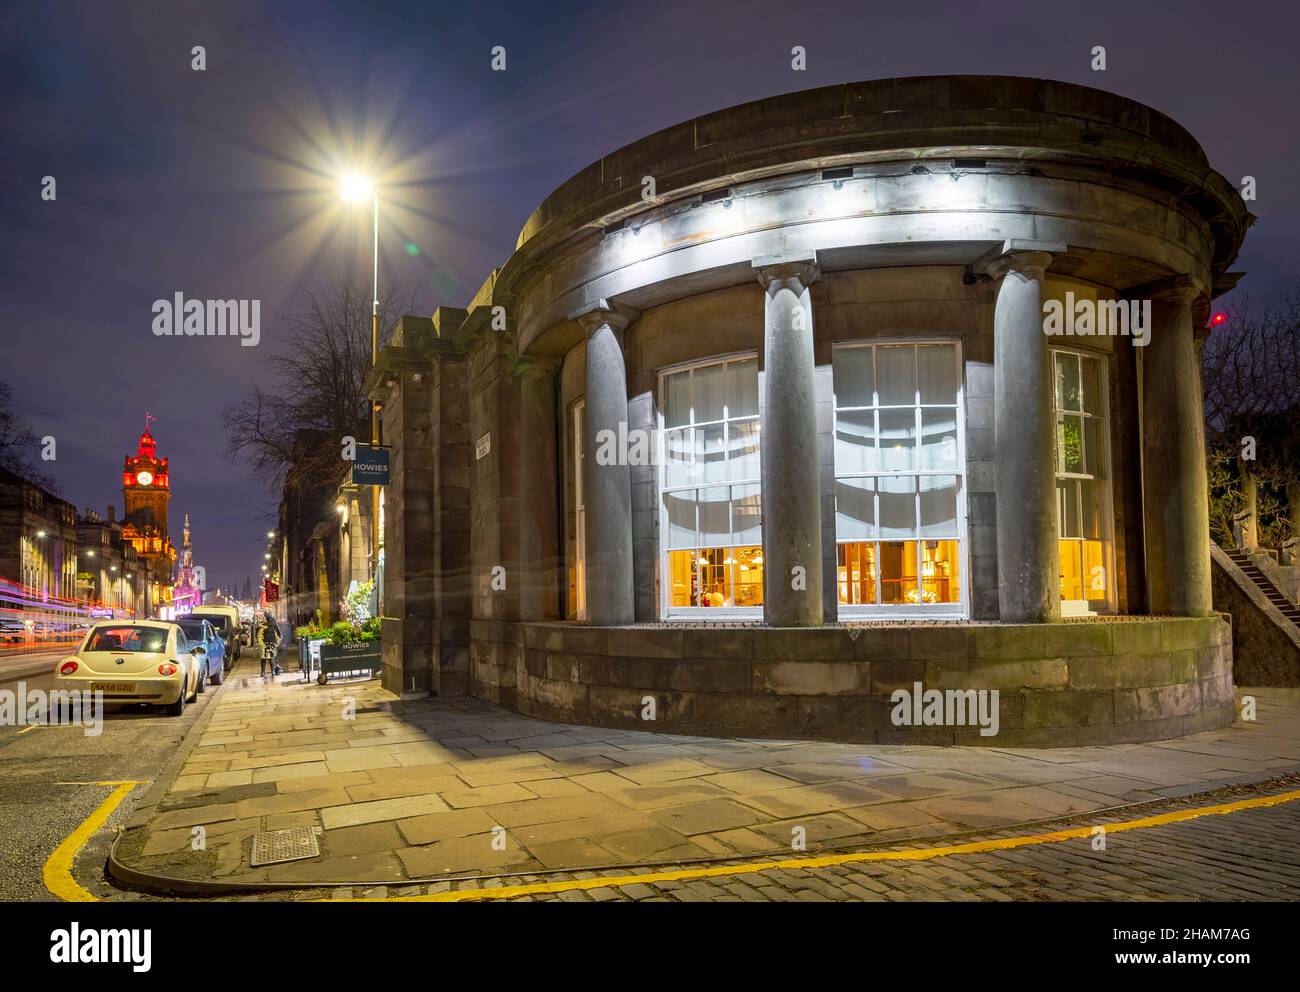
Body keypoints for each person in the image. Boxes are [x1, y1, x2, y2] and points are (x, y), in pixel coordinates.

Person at [258, 610, 282, 678]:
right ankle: (273, 672)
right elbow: (278, 631)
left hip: (264, 642)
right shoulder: (274, 622)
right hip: (272, 642)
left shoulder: (263, 624)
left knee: (264, 657)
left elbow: (258, 632)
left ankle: (262, 672)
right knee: (271, 657)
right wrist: (279, 636)